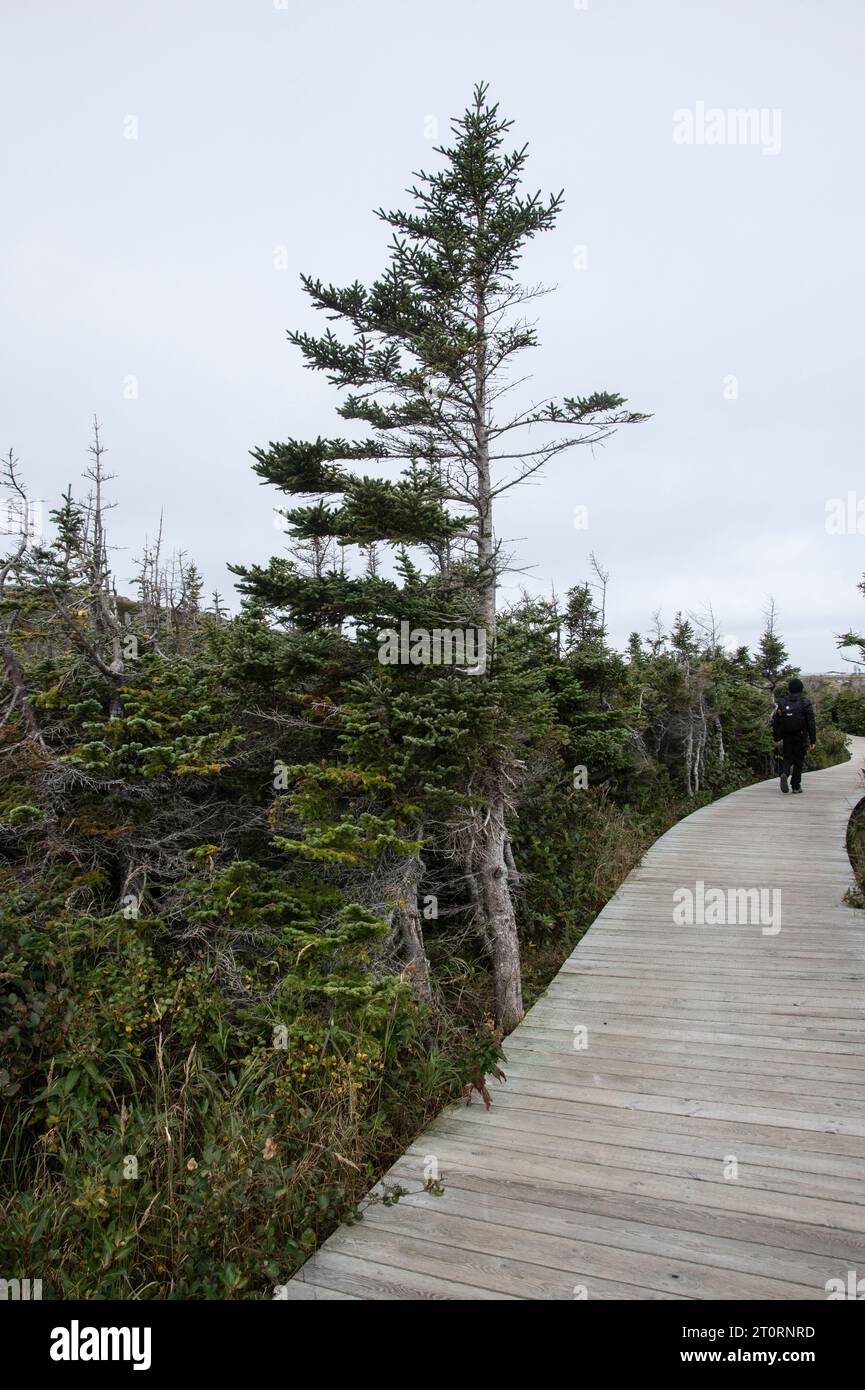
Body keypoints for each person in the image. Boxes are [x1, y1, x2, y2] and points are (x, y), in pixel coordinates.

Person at [772, 677, 816, 794]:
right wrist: (813, 740)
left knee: (787, 757)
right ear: (801, 689)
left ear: (789, 689)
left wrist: (776, 736)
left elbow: (777, 720)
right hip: (800, 736)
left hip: (786, 735)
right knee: (798, 760)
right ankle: (796, 786)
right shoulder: (805, 702)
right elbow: (811, 722)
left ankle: (784, 773)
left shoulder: (782, 702)